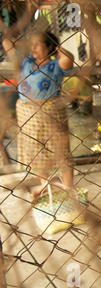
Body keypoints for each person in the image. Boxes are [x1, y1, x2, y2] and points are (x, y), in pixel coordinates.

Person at [2, 30, 75, 198]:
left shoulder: (57, 65)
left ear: (49, 47)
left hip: (51, 112)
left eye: (38, 44)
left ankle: (69, 189)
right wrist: (25, 42)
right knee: (37, 152)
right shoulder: (25, 62)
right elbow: (7, 43)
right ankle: (45, 186)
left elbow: (68, 57)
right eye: (32, 44)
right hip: (28, 114)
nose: (33, 48)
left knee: (61, 150)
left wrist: (56, 46)